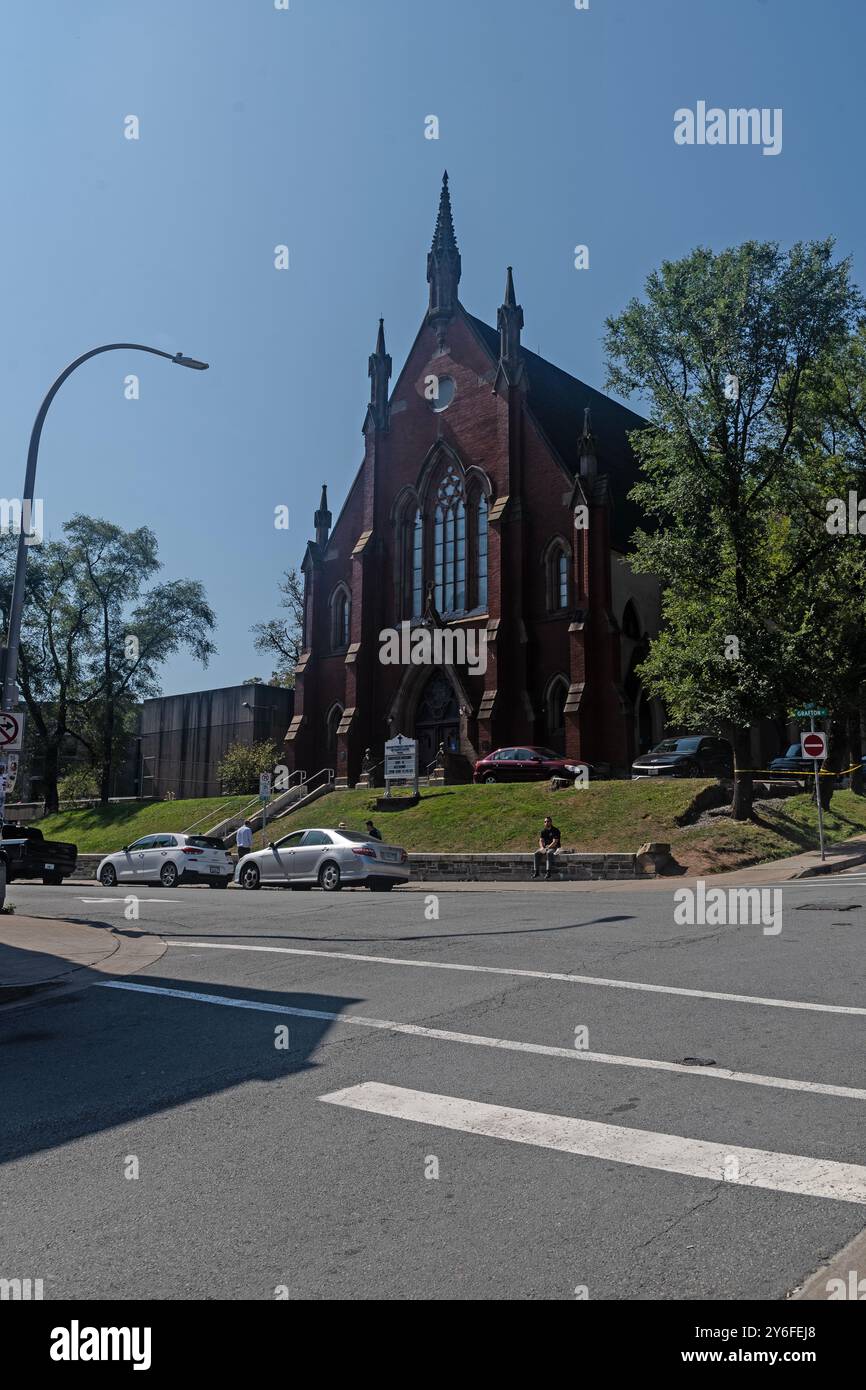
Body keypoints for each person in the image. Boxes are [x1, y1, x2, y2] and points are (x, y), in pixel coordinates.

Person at [532, 815, 561, 879]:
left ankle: (548, 872)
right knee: (536, 853)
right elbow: (541, 840)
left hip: (554, 847)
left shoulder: (555, 830)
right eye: (545, 822)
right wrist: (542, 847)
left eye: (548, 821)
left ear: (551, 822)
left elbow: (555, 842)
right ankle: (536, 872)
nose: (546, 823)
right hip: (545, 847)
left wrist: (547, 848)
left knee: (549, 853)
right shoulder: (543, 831)